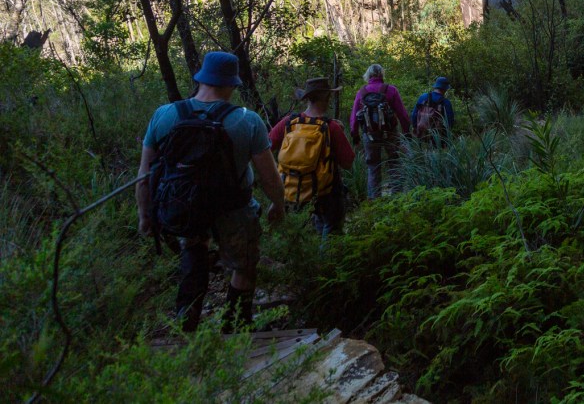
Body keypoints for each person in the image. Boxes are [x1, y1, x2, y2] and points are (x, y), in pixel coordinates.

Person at [136, 51, 285, 333]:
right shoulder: (247, 120)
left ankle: (186, 327)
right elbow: (269, 177)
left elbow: (144, 176)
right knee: (243, 266)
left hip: (185, 208)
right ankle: (235, 325)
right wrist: (278, 204)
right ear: (231, 84)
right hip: (234, 210)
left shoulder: (164, 115)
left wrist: (145, 217)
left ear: (201, 79)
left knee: (193, 252)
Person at [270, 78, 355, 236]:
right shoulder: (332, 127)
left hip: (292, 190)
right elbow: (348, 162)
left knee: (300, 233)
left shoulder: (288, 123)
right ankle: (327, 259)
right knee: (331, 226)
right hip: (325, 192)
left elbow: (267, 146)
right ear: (326, 97)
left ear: (307, 98)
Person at [349, 64, 410, 198]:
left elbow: (354, 116)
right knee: (395, 162)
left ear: (368, 75)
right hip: (390, 133)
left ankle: (374, 200)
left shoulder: (362, 92)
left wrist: (355, 135)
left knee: (373, 166)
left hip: (369, 135)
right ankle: (397, 197)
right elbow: (402, 115)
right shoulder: (391, 90)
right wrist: (407, 132)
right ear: (382, 74)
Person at [411, 76, 456, 145]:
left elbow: (414, 114)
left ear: (435, 86)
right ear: (445, 89)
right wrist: (446, 137)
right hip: (438, 138)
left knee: (422, 153)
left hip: (421, 133)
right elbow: (449, 122)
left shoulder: (423, 97)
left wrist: (415, 127)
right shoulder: (446, 102)